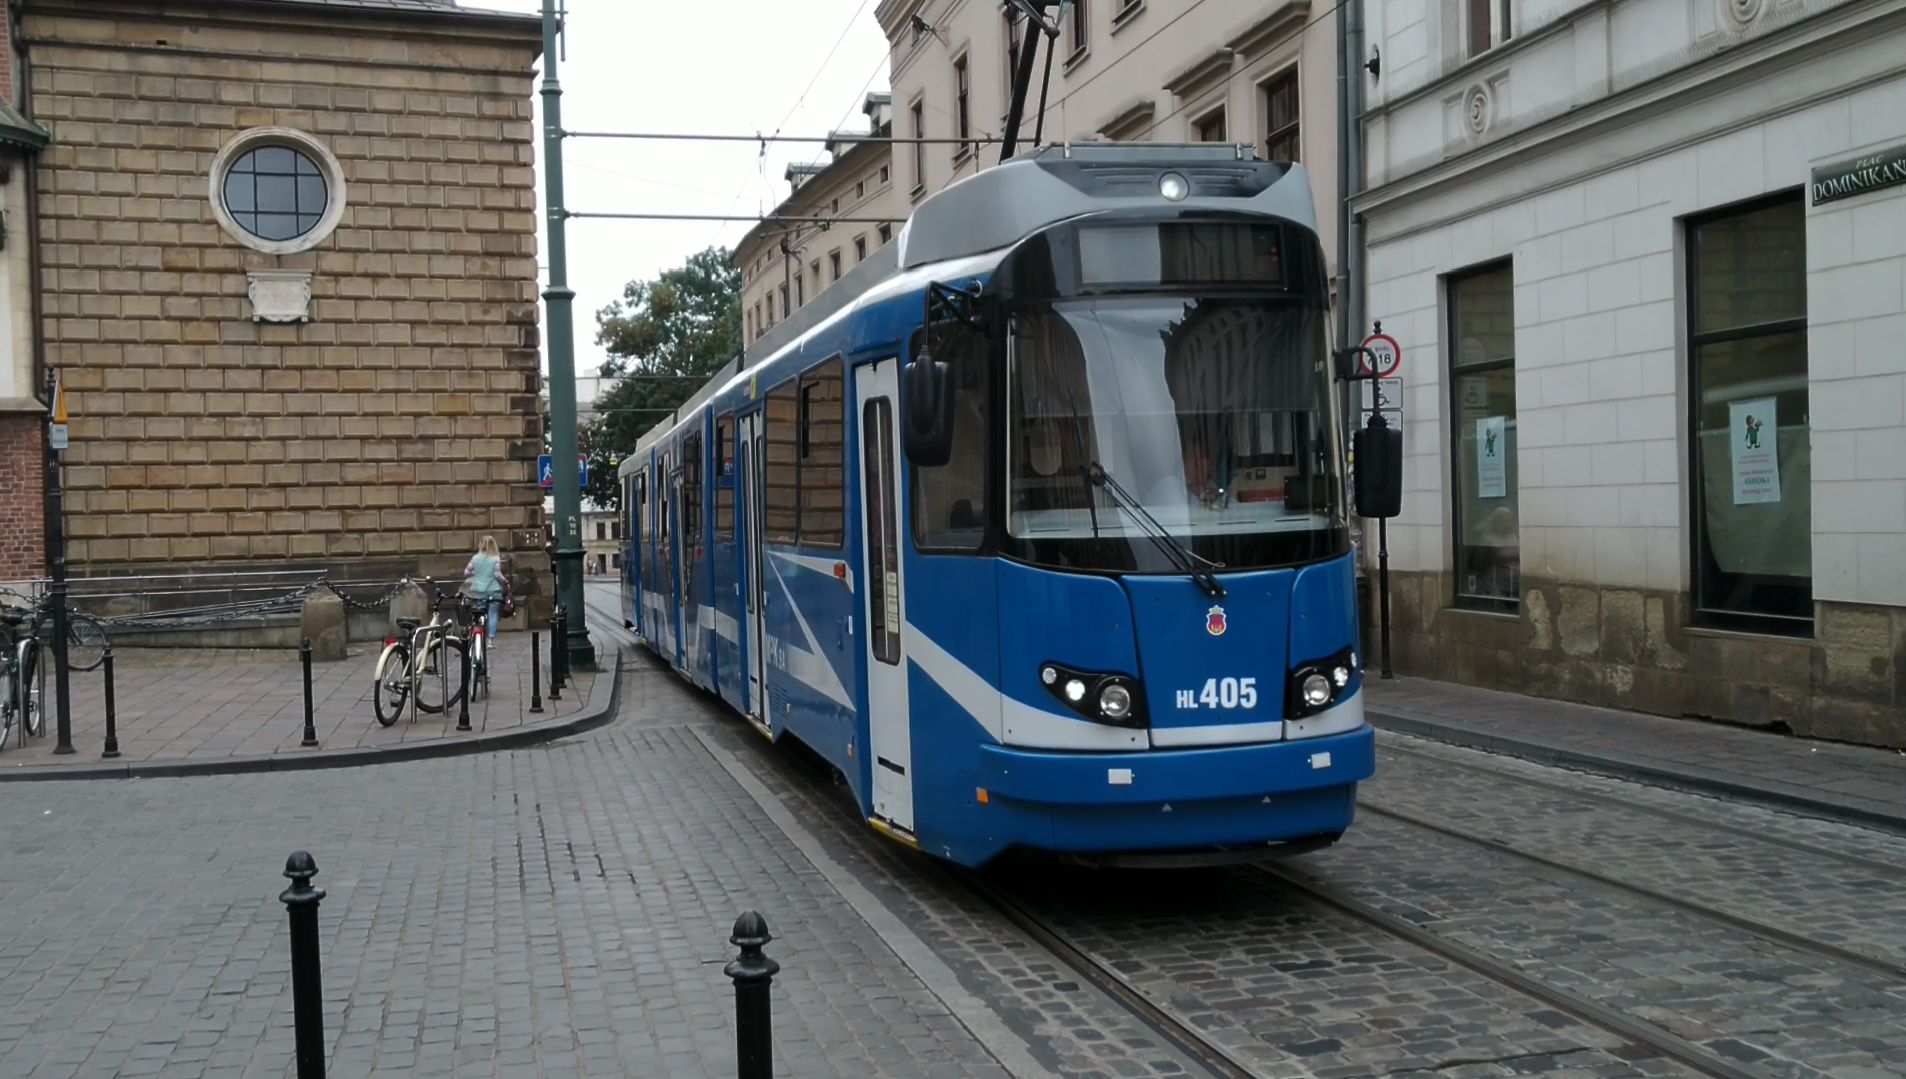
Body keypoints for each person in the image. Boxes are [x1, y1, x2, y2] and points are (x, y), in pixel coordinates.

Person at [464, 535, 508, 639]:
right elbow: (497, 575)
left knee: (478, 613)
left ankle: (478, 637)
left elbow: (466, 572)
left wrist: (476, 574)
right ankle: (491, 639)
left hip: (479, 591)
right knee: (493, 614)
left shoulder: (475, 558)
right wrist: (505, 581)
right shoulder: (495, 558)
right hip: (493, 590)